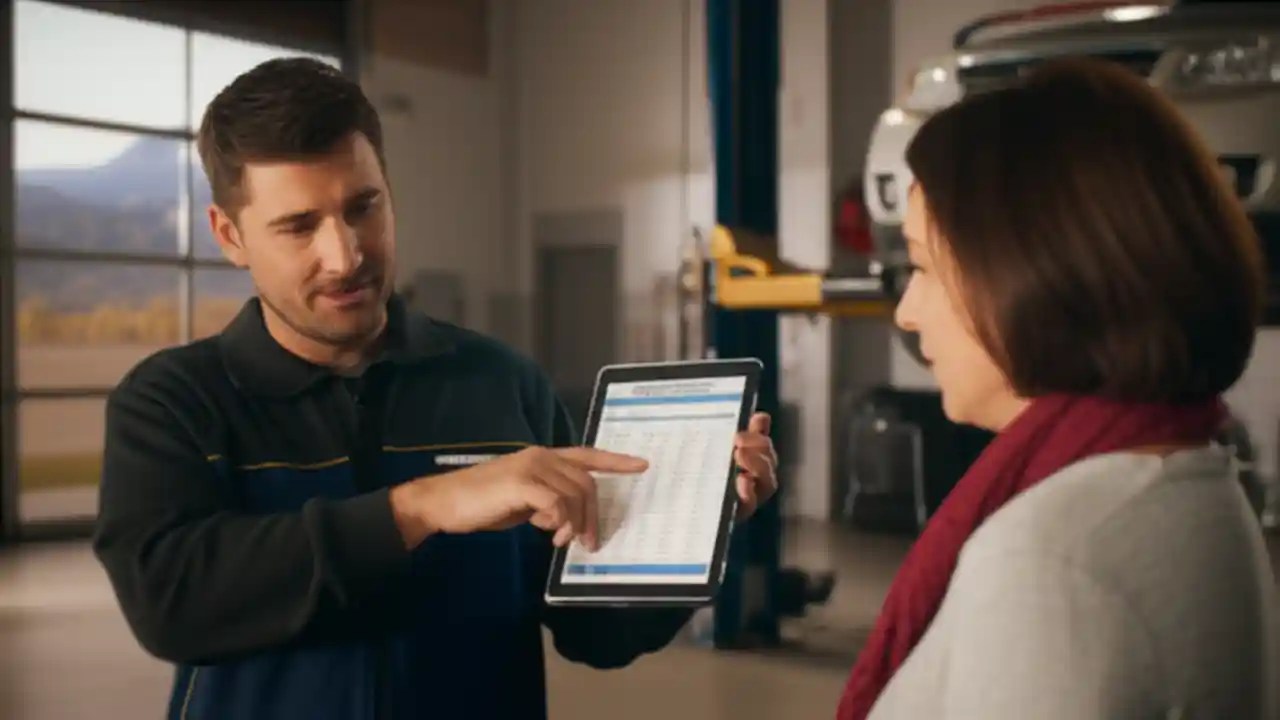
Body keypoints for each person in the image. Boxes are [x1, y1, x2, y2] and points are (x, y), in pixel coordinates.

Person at [92, 58, 778, 720]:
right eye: (299, 226)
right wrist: (423, 507)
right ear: (229, 235)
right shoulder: (174, 404)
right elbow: (171, 602)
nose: (345, 255)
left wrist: (695, 526)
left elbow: (597, 632)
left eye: (364, 207)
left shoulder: (504, 386)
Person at [837, 58, 1278, 719]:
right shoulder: (1187, 474)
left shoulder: (1049, 558)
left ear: (1034, 275)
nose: (906, 312)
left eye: (924, 267)